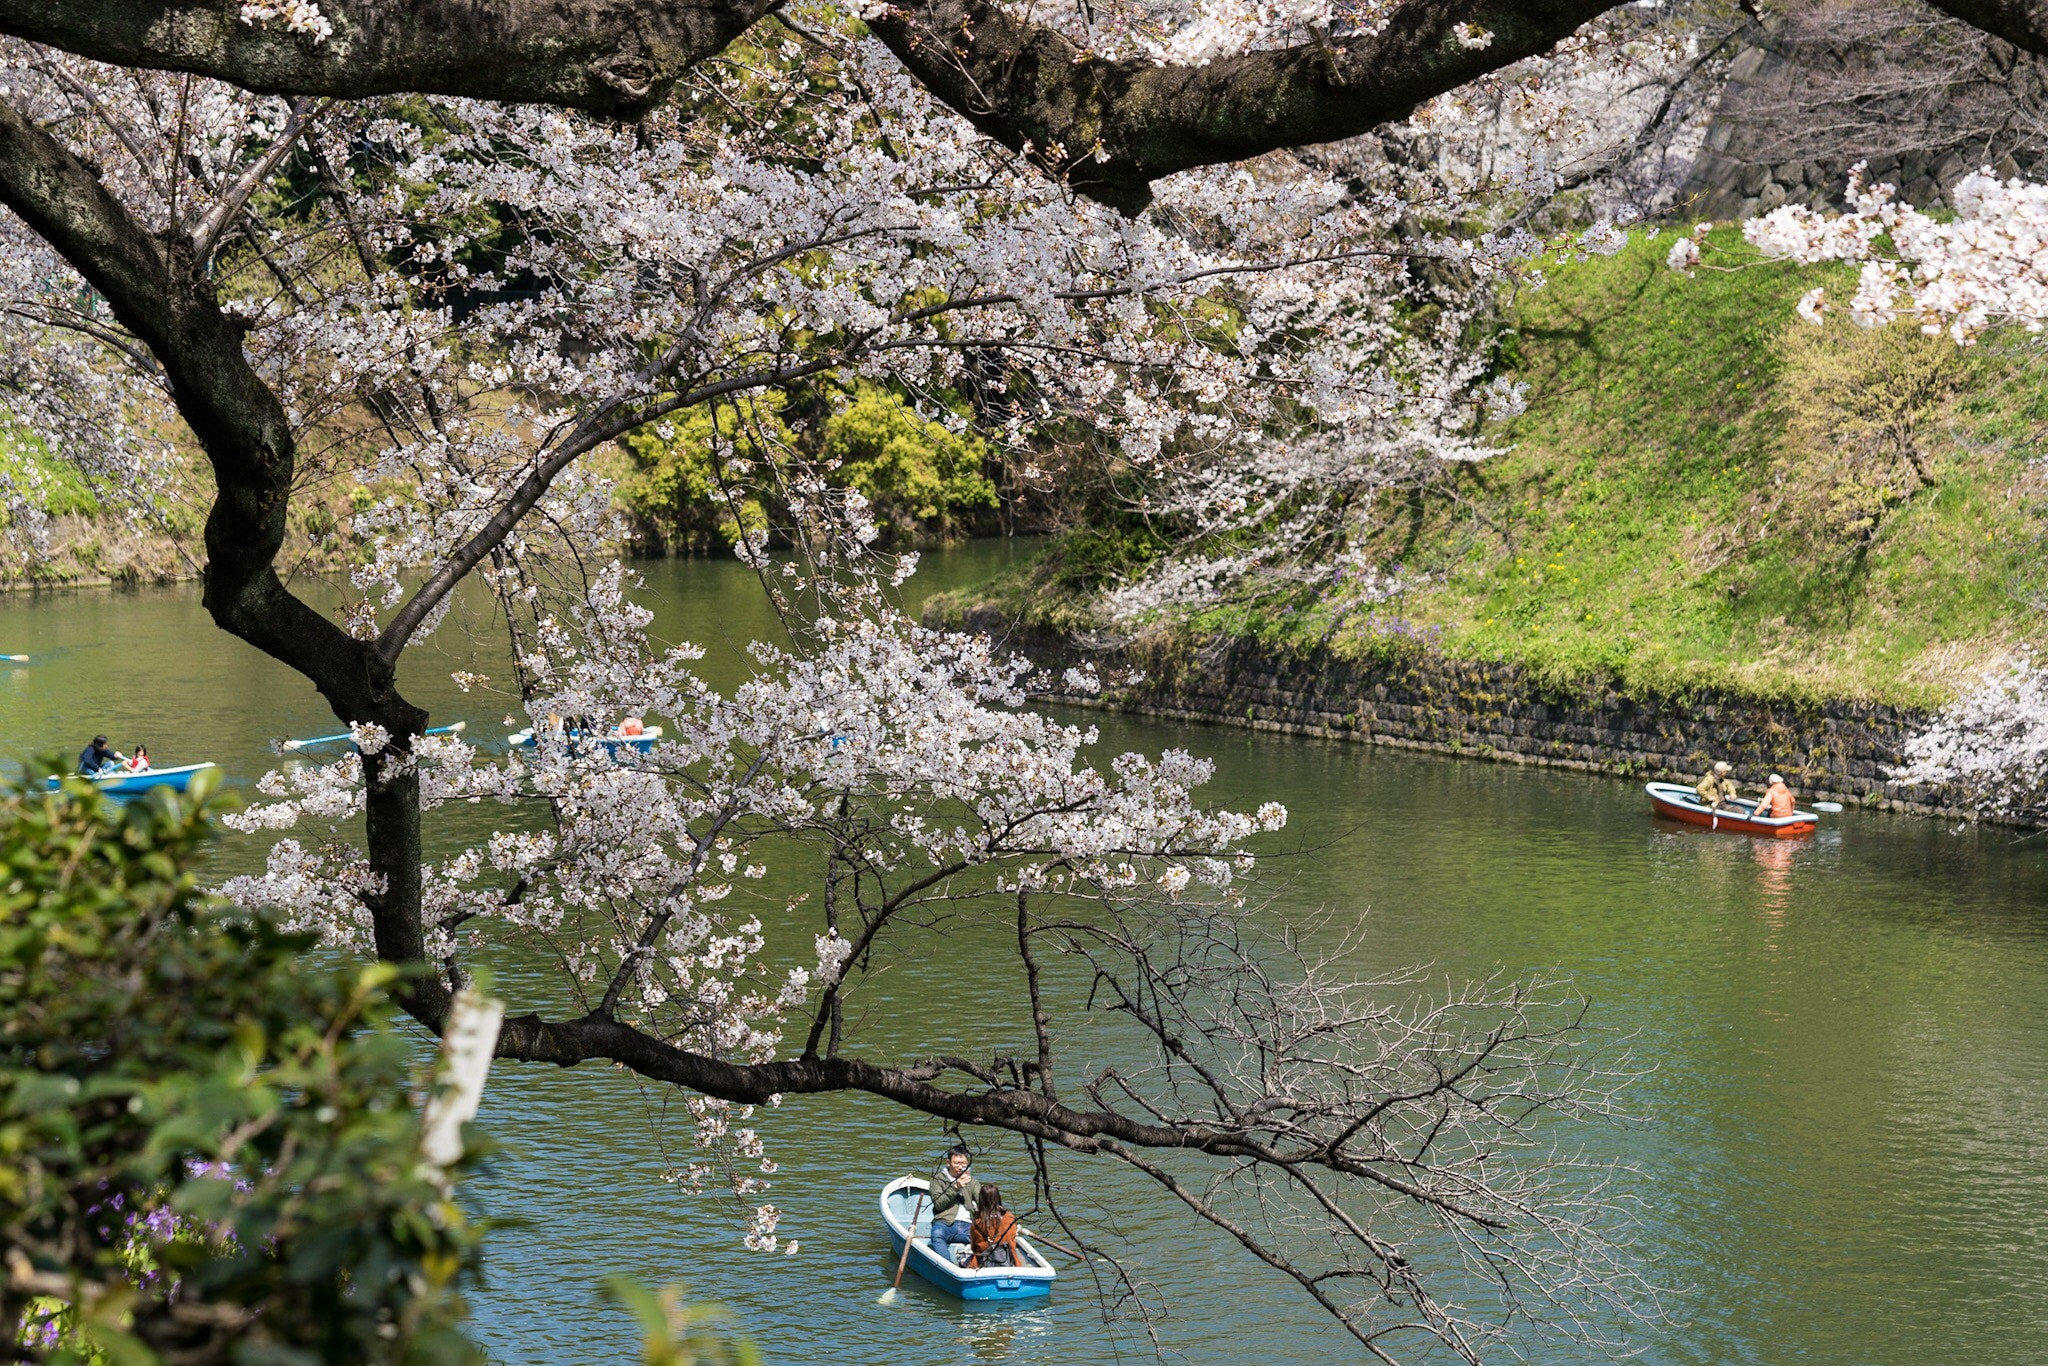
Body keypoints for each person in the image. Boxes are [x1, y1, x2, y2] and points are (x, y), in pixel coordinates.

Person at [926, 1145, 976, 1264]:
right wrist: (955, 1188)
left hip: (968, 1224)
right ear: (948, 1162)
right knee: (937, 1234)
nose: (961, 1167)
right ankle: (947, 1266)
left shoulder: (971, 1181)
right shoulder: (937, 1180)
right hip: (945, 1223)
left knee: (986, 1237)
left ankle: (971, 1260)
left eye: (963, 1163)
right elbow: (939, 1204)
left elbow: (982, 1200)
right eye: (957, 1163)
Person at [968, 1183, 1022, 1270]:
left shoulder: (977, 1222)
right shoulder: (1009, 1218)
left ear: (982, 1200)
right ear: (998, 1198)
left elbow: (974, 1247)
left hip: (984, 1263)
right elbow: (1012, 1241)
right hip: (1007, 1261)